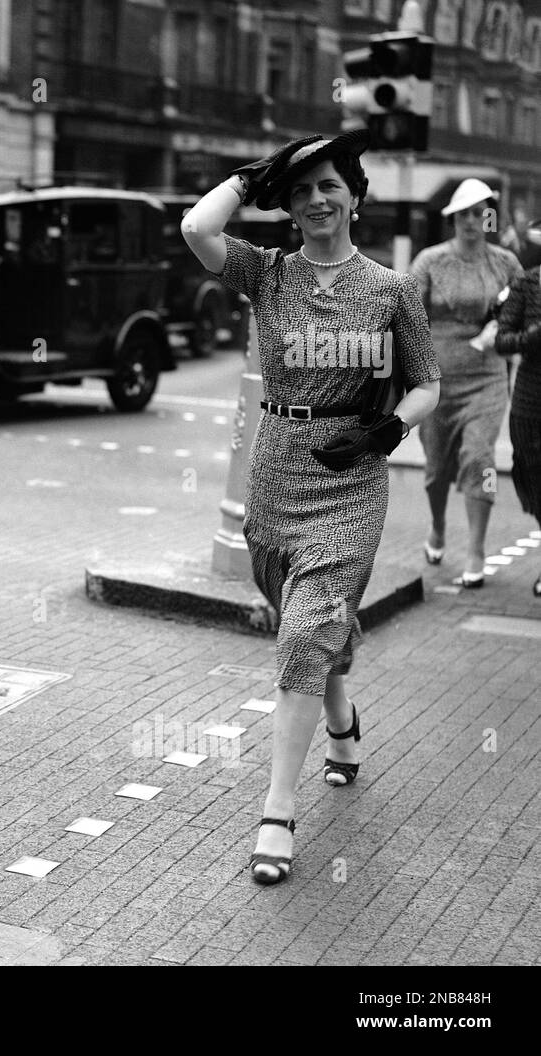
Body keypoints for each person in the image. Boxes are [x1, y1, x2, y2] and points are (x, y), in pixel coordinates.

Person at [182, 130, 440, 885]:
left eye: (329, 185)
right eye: (299, 191)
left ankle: (276, 811)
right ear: (287, 207)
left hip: (352, 480)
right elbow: (198, 228)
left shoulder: (393, 291)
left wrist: (392, 425)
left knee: (305, 629)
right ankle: (341, 719)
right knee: (307, 626)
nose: (317, 200)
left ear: (355, 195)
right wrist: (250, 174)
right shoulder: (267, 275)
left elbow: (426, 382)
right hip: (276, 473)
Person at [410, 180, 522, 587]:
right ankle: (438, 526)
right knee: (437, 469)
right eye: (464, 214)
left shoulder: (506, 264)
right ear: (453, 219)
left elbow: (522, 311)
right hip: (436, 383)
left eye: (480, 213)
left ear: (489, 217)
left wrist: (501, 329)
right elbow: (406, 317)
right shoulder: (429, 261)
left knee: (481, 459)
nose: (473, 221)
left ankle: (477, 548)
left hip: (488, 379)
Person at [494, 219, 541, 598]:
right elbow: (503, 341)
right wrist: (535, 335)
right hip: (529, 402)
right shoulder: (528, 282)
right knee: (532, 478)